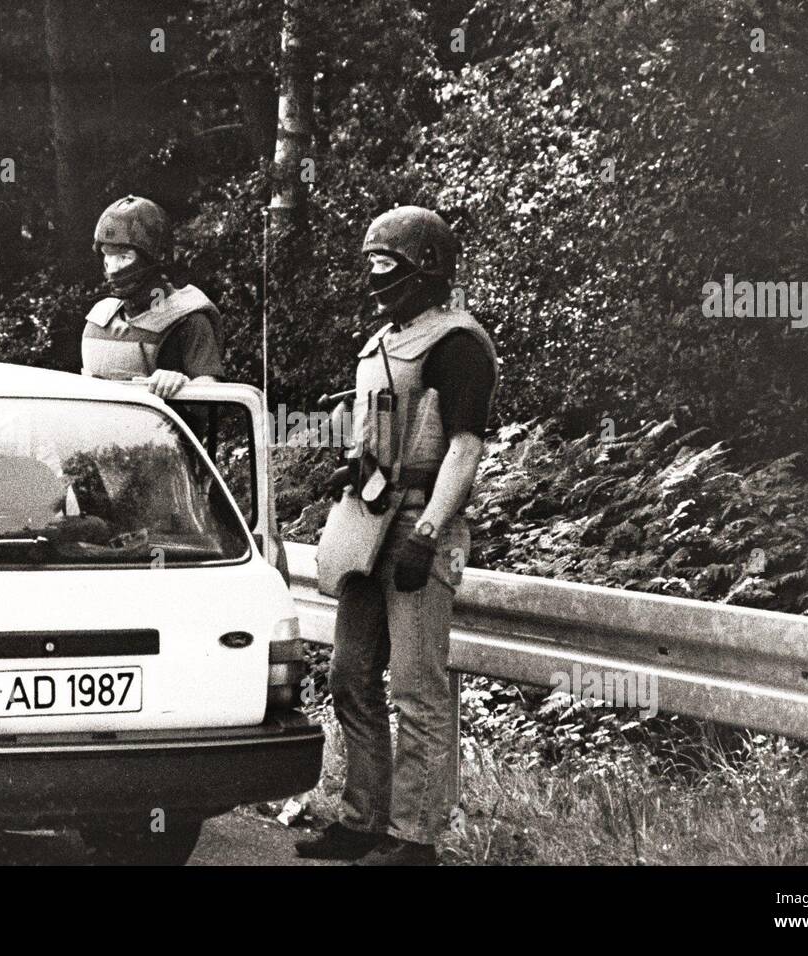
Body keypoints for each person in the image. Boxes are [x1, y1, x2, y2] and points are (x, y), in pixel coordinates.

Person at [296, 206, 498, 866]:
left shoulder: (458, 344)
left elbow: (463, 450)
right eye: (373, 263)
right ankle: (363, 819)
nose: (376, 276)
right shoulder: (384, 338)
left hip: (418, 525)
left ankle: (417, 838)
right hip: (368, 520)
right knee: (349, 674)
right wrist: (353, 467)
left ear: (425, 270)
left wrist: (430, 533)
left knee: (416, 687)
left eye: (389, 264)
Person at [82, 195, 224, 398]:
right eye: (108, 256)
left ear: (155, 257)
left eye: (124, 257)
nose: (113, 268)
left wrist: (182, 383)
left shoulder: (188, 319)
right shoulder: (99, 319)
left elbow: (211, 390)